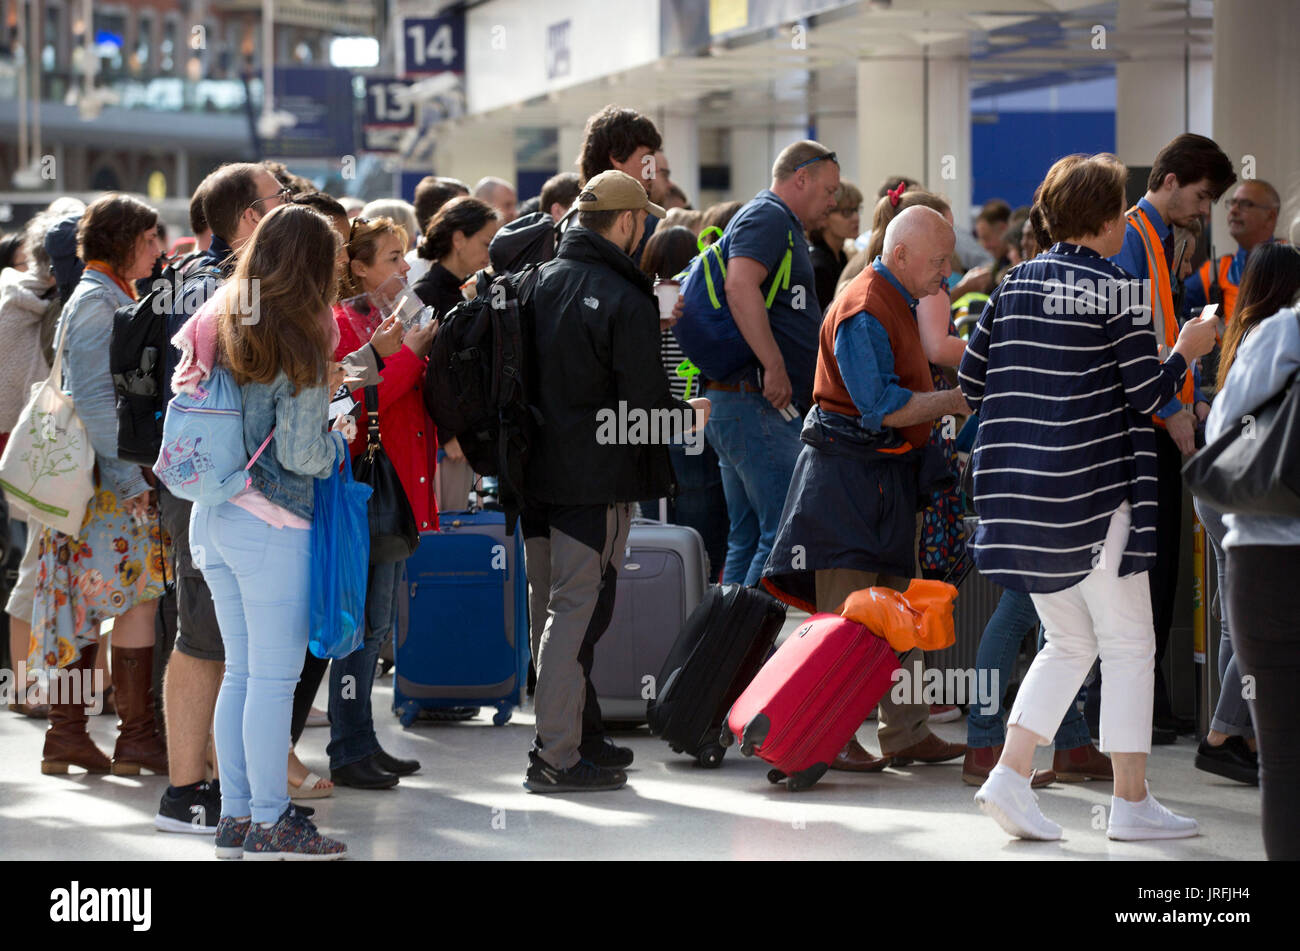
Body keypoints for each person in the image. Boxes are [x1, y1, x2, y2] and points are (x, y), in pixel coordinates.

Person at [961, 153, 1219, 841]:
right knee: (1129, 641)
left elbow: (971, 377)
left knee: (1069, 640)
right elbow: (1150, 394)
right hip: (1097, 493)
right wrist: (1188, 348)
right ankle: (1130, 802)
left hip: (1022, 496)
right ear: (1109, 219)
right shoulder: (1118, 288)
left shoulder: (1011, 286)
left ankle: (1011, 777)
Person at [763, 206, 969, 772]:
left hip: (882, 481)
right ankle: (829, 734)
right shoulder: (863, 307)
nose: (947, 274)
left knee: (900, 611)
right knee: (846, 619)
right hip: (847, 483)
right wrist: (955, 400)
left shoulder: (891, 297)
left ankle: (904, 733)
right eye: (939, 260)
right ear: (901, 255)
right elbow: (879, 408)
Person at [524, 170, 708, 793]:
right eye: (644, 221)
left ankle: (565, 739)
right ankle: (556, 756)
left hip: (533, 476)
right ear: (627, 222)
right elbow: (644, 407)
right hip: (593, 481)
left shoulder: (538, 279)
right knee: (574, 615)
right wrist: (689, 416)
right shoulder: (625, 297)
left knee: (549, 612)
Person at [182, 202, 350, 859]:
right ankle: (272, 817)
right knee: (272, 681)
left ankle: (237, 816)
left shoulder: (229, 314)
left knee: (242, 674)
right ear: (312, 265)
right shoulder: (305, 334)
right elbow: (306, 454)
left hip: (215, 511)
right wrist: (339, 439)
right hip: (272, 521)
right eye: (333, 254)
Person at [154, 162, 292, 834]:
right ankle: (189, 791)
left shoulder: (182, 280)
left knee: (213, 638)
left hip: (191, 477)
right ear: (249, 216)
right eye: (280, 199)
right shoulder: (234, 290)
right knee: (206, 638)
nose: (289, 207)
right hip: (223, 485)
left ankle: (213, 782)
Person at [30, 194, 170, 777]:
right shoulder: (97, 301)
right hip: (107, 482)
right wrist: (126, 476)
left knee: (92, 603)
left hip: (96, 480)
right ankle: (132, 740)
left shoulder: (100, 294)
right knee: (134, 602)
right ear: (124, 242)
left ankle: (73, 737)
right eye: (148, 238)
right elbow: (92, 398)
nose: (158, 249)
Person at [1108, 132, 1236, 743]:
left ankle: (1150, 703)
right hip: (1145, 427)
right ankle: (1141, 706)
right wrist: (1171, 404)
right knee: (1147, 575)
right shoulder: (1135, 239)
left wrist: (1188, 395)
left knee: (1156, 575)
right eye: (1204, 195)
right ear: (1168, 181)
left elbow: (1154, 337)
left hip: (1158, 420)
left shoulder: (1158, 242)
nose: (1207, 210)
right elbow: (1137, 346)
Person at [328, 216, 437, 790]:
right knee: (363, 628)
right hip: (369, 493)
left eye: (403, 255)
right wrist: (412, 354)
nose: (403, 267)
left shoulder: (388, 318)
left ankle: (361, 740)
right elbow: (360, 403)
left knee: (376, 626)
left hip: (396, 489)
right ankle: (349, 746)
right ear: (359, 267)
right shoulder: (346, 324)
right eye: (392, 258)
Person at [704, 140, 839, 587]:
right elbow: (740, 286)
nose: (833, 202)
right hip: (757, 406)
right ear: (801, 179)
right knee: (780, 535)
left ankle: (725, 650)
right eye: (829, 190)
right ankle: (748, 648)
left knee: (747, 538)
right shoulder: (768, 217)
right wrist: (775, 365)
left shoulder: (772, 219)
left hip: (741, 405)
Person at [1193, 242, 1300, 788]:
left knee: (1238, 622)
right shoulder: (1279, 335)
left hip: (1224, 492)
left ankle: (1242, 735)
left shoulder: (1249, 334)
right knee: (1251, 626)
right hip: (1247, 497)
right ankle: (1220, 735)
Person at [638, 224, 729, 577]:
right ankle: (698, 598)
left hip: (647, 429)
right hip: (694, 426)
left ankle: (662, 596)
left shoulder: (637, 308)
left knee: (657, 530)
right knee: (700, 535)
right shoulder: (699, 305)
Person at [2, 211, 63, 717]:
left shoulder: (15, 302)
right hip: (53, 449)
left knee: (39, 566)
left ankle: (40, 686)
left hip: (31, 446)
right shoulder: (58, 306)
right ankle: (27, 685)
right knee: (35, 567)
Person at [574, 105, 664, 262]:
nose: (654, 168)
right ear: (617, 156)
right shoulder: (644, 222)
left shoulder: (571, 218)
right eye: (647, 157)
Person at [1185, 179, 1282, 319]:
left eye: (1245, 204)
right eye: (1232, 203)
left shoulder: (1292, 264)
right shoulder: (1215, 272)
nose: (1234, 210)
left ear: (1270, 216)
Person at [809, 180, 862, 313]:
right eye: (846, 212)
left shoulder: (841, 256)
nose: (856, 218)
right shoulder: (819, 265)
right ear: (825, 216)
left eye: (856, 210)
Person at [407, 177, 470, 283]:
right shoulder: (412, 268)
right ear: (437, 215)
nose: (472, 218)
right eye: (463, 210)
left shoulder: (472, 262)